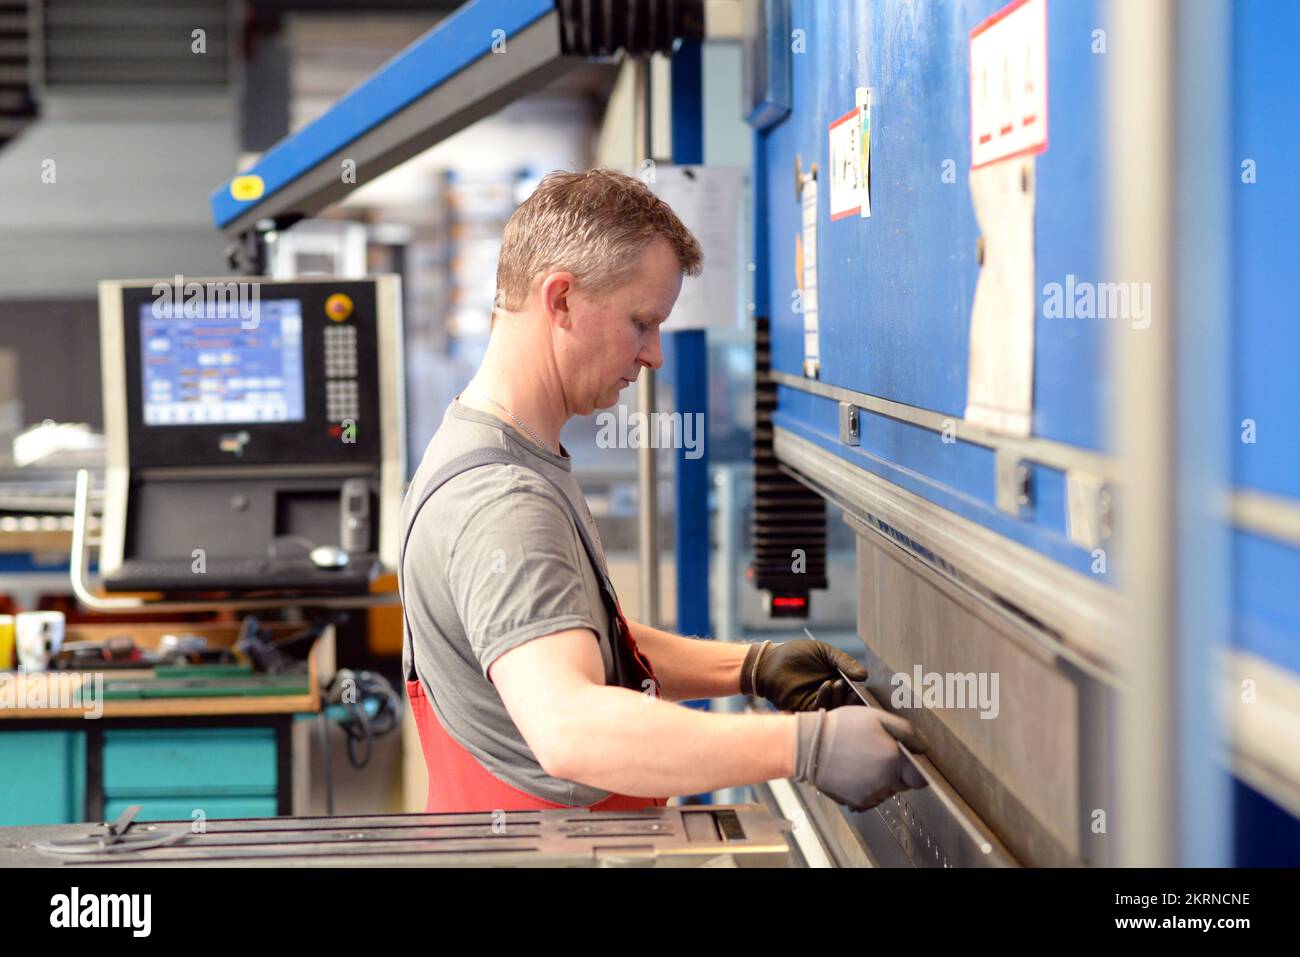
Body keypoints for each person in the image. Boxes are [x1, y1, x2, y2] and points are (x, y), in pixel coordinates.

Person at [399, 168, 927, 814]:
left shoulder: (495, 449)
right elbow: (569, 725)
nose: (653, 356)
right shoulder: (501, 499)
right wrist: (804, 746)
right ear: (560, 299)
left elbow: (574, 640)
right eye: (642, 322)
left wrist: (752, 665)